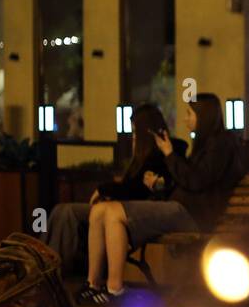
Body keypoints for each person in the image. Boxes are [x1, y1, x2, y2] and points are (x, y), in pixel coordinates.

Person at [79, 93, 247, 304]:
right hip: (182, 208)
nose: (185, 119)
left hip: (193, 215)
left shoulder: (220, 144)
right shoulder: (206, 143)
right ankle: (93, 283)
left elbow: (197, 181)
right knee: (100, 210)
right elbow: (191, 180)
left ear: (203, 116)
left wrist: (169, 154)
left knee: (113, 211)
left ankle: (114, 289)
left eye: (189, 114)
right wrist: (161, 184)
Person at [46, 103, 182, 282]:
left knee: (69, 212)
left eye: (135, 132)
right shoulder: (142, 156)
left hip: (130, 212)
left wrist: (103, 189)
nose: (133, 137)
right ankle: (43, 262)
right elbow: (130, 187)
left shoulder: (160, 155)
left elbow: (135, 190)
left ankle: (53, 270)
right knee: (60, 210)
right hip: (117, 207)